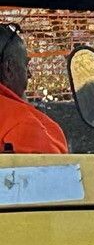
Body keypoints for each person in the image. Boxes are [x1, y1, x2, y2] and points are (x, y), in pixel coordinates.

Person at [0, 26, 67, 155]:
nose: (29, 75)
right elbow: (53, 172)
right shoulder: (23, 124)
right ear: (8, 69)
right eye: (26, 65)